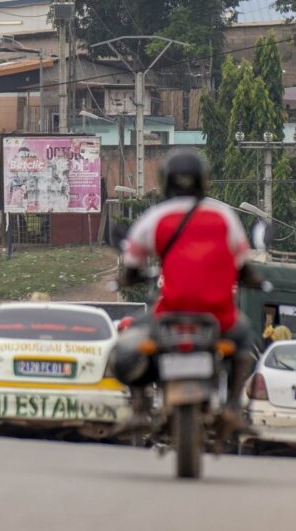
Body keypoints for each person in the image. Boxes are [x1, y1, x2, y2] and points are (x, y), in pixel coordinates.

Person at [110, 151, 262, 436]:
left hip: (170, 311)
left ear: (165, 181)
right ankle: (231, 407)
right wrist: (254, 280)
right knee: (244, 341)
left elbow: (131, 263)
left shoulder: (155, 217)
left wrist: (128, 279)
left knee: (126, 343)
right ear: (203, 182)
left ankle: (140, 408)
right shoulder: (224, 216)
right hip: (218, 315)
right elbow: (244, 265)